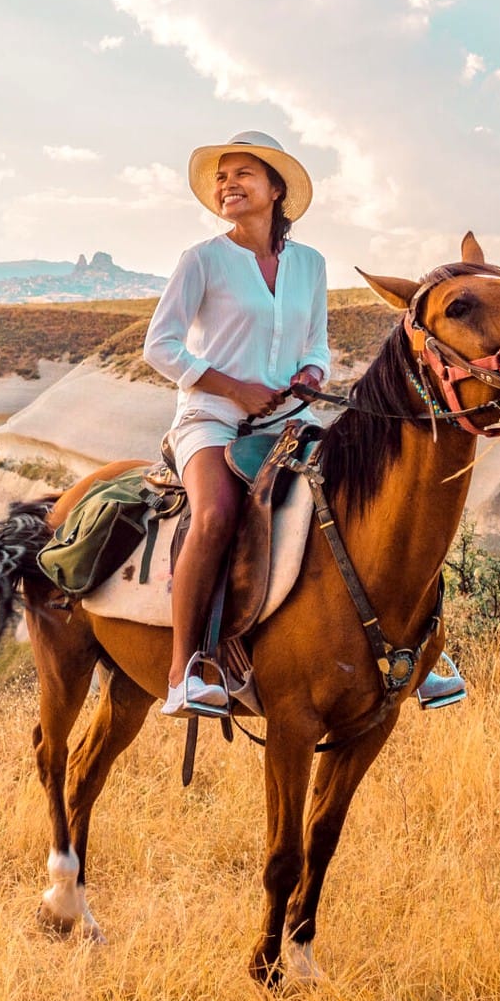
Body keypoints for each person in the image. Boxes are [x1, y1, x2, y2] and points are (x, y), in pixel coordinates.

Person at [142, 132, 330, 717]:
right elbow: (159, 345)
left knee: (368, 490)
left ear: (276, 190)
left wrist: (311, 373)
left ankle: (408, 651)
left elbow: (318, 342)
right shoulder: (202, 260)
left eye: (243, 173)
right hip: (211, 416)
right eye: (223, 177)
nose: (229, 185)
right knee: (218, 512)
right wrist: (231, 387)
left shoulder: (310, 264)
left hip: (289, 417)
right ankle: (184, 672)